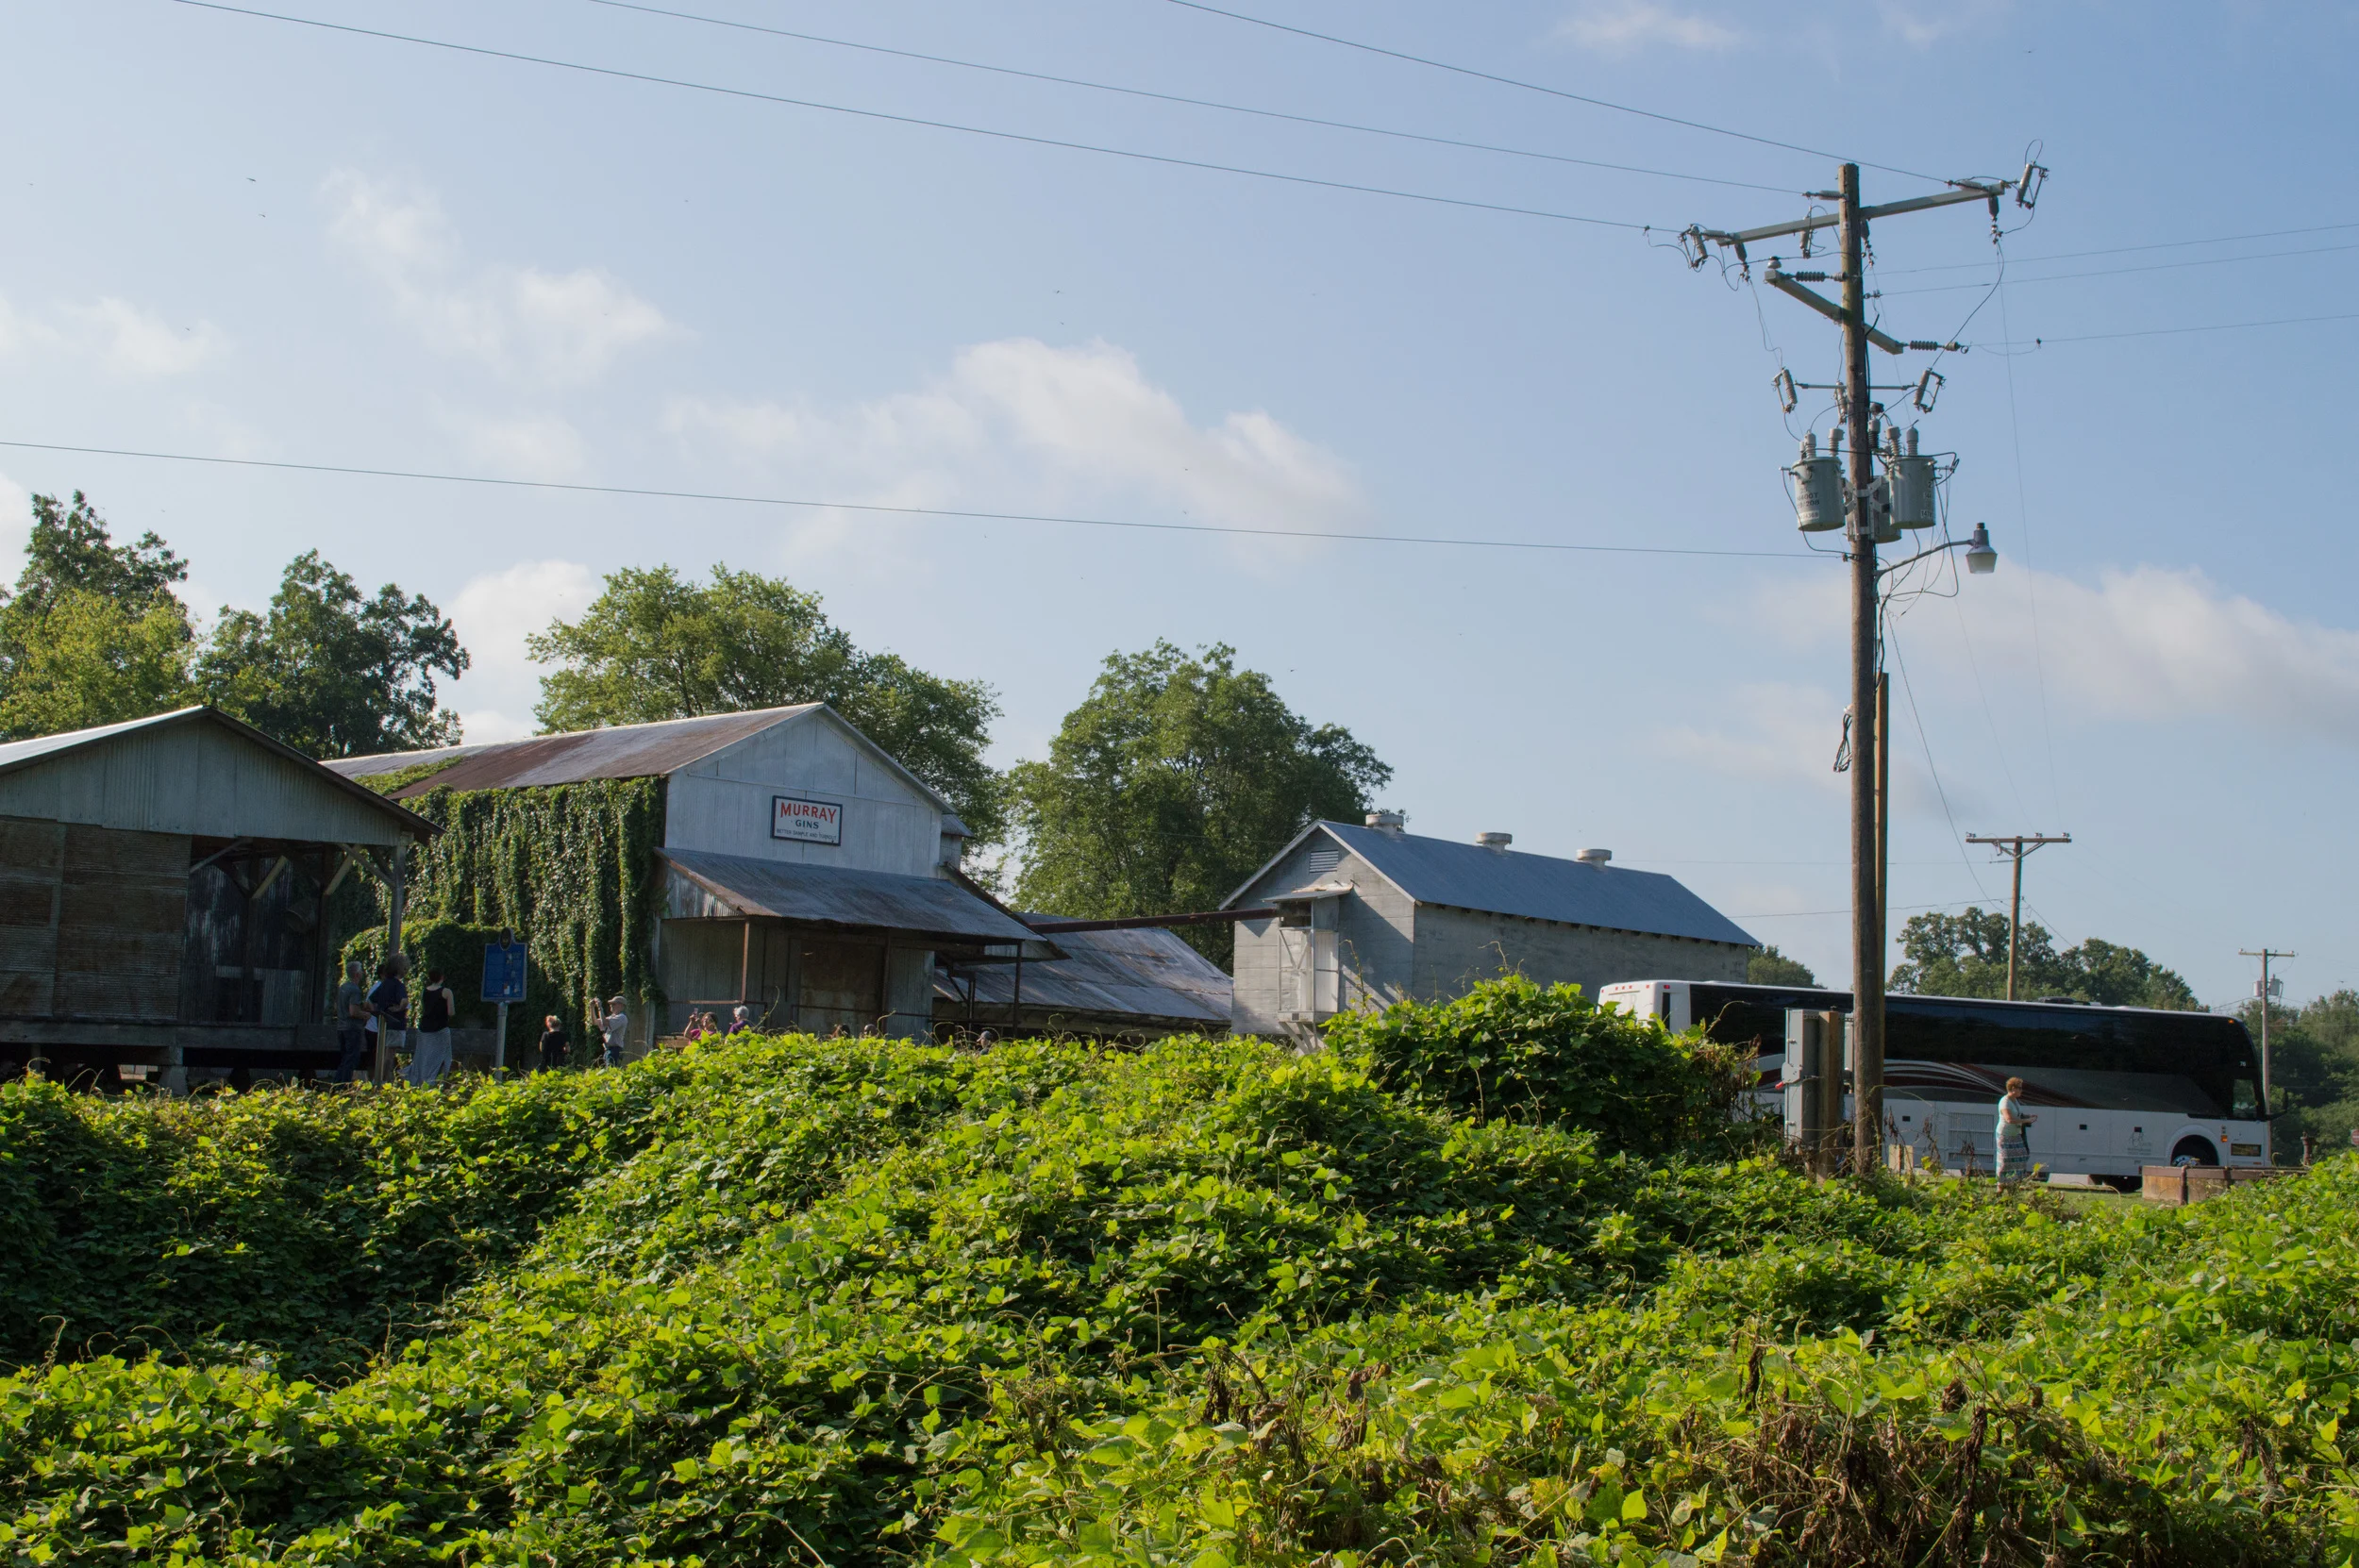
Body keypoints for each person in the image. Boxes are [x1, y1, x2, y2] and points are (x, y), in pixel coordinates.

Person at [408, 968, 456, 1086]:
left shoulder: (425, 991)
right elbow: (451, 1012)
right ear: (442, 977)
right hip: (440, 1029)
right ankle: (438, 1082)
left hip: (424, 1029)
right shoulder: (446, 992)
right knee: (444, 1057)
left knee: (424, 1057)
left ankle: (421, 1082)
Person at [367, 959, 409, 1082]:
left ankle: (378, 1080)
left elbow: (369, 1001)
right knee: (389, 1055)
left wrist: (378, 1012)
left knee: (382, 1053)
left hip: (383, 1023)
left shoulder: (384, 984)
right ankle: (382, 1081)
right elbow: (404, 1002)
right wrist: (397, 1010)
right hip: (395, 1023)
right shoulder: (399, 985)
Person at [332, 959, 371, 1083]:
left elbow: (336, 1006)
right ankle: (342, 1086)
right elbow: (353, 1011)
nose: (363, 973)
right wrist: (366, 1014)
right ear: (357, 974)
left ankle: (337, 1085)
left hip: (341, 1027)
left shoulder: (343, 988)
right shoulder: (355, 990)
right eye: (361, 971)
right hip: (352, 1029)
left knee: (344, 1059)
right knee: (351, 1059)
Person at [1996, 1076, 2037, 1185]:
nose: (2021, 1090)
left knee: (2023, 1155)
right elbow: (2009, 1119)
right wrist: (2026, 1120)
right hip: (2005, 1135)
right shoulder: (2005, 1102)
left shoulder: (2015, 1100)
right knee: (2006, 1161)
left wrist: (2028, 1116)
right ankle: (2001, 1185)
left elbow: (2017, 1115)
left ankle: (2015, 1181)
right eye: (2019, 1088)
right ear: (2012, 1088)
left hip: (2015, 1134)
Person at [600, 995, 629, 1068]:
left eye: (613, 1004)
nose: (611, 1006)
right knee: (609, 1071)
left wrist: (599, 1007)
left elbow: (604, 1022)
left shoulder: (621, 1017)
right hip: (608, 1049)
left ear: (621, 1005)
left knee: (612, 1071)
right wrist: (591, 1008)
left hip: (615, 1050)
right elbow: (595, 1022)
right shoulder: (612, 1017)